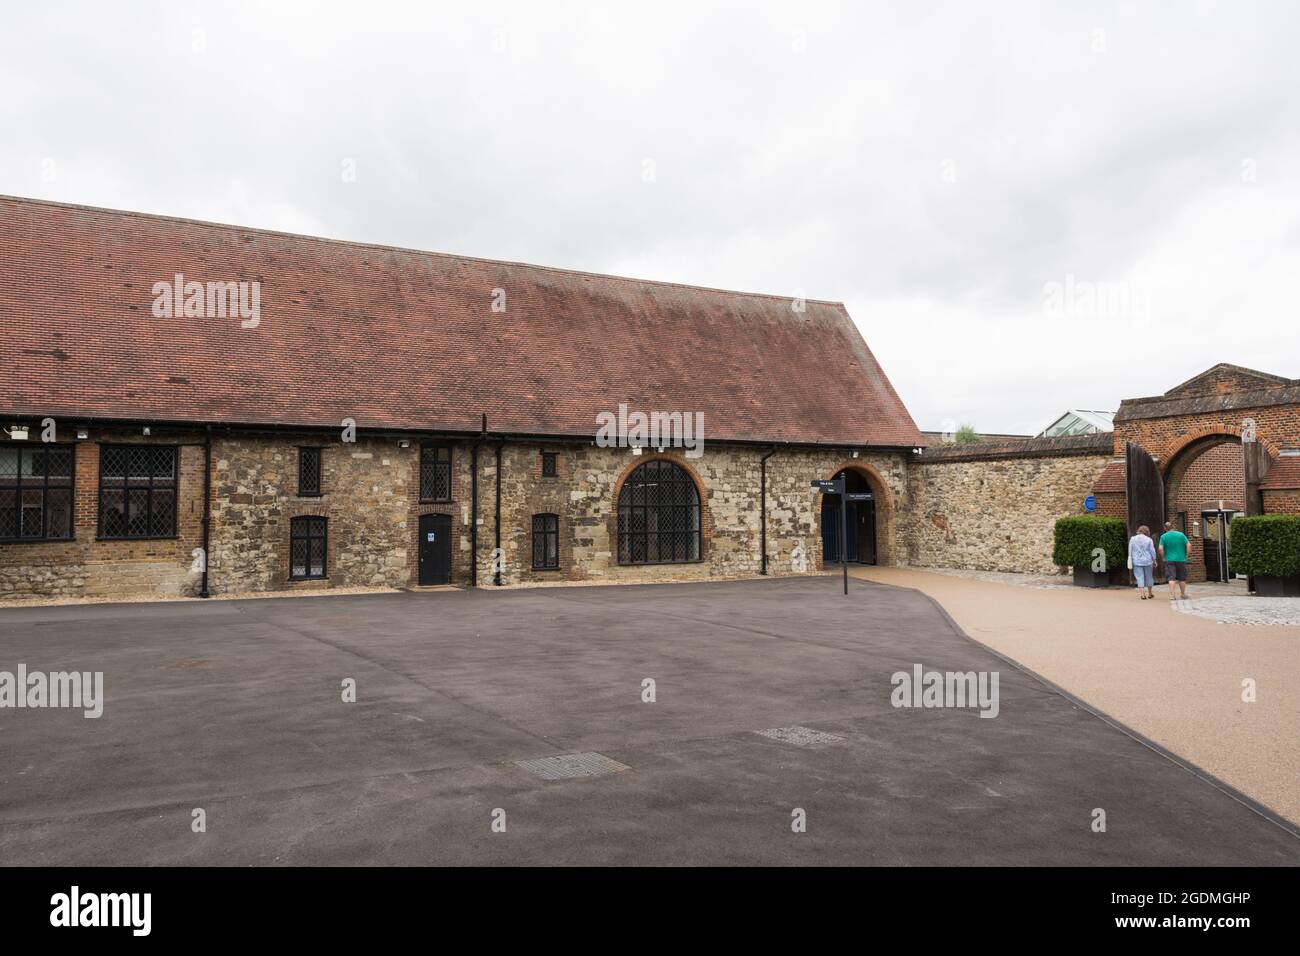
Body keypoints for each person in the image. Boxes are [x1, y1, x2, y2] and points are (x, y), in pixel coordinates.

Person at [1159, 520, 1192, 601]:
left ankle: (1172, 596)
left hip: (1169, 559)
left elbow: (1160, 548)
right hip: (1181, 559)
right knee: (1182, 578)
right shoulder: (1181, 535)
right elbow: (1189, 545)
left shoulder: (1163, 537)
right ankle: (1183, 594)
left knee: (1171, 578)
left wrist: (1163, 557)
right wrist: (1186, 555)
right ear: (1173, 527)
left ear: (1165, 528)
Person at [1128, 525, 1157, 599]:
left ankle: (1142, 595)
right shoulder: (1149, 539)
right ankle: (1150, 594)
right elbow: (1152, 551)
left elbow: (1130, 550)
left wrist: (1130, 558)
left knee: (1139, 577)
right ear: (1147, 531)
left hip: (1136, 561)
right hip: (1147, 561)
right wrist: (1154, 560)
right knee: (1149, 577)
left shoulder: (1133, 539)